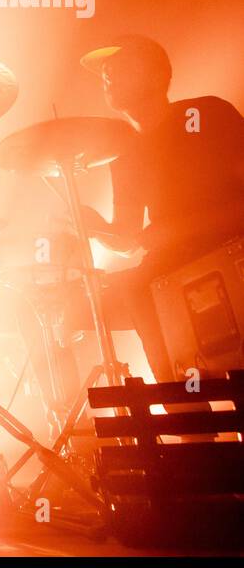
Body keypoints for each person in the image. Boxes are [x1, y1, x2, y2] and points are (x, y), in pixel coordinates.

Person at [81, 35, 244, 380]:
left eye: (120, 65)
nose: (107, 74)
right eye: (105, 71)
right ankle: (187, 416)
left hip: (232, 248)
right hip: (174, 265)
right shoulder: (123, 152)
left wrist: (180, 229)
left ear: (157, 76)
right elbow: (128, 236)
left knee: (144, 283)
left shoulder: (205, 114)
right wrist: (92, 226)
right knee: (135, 284)